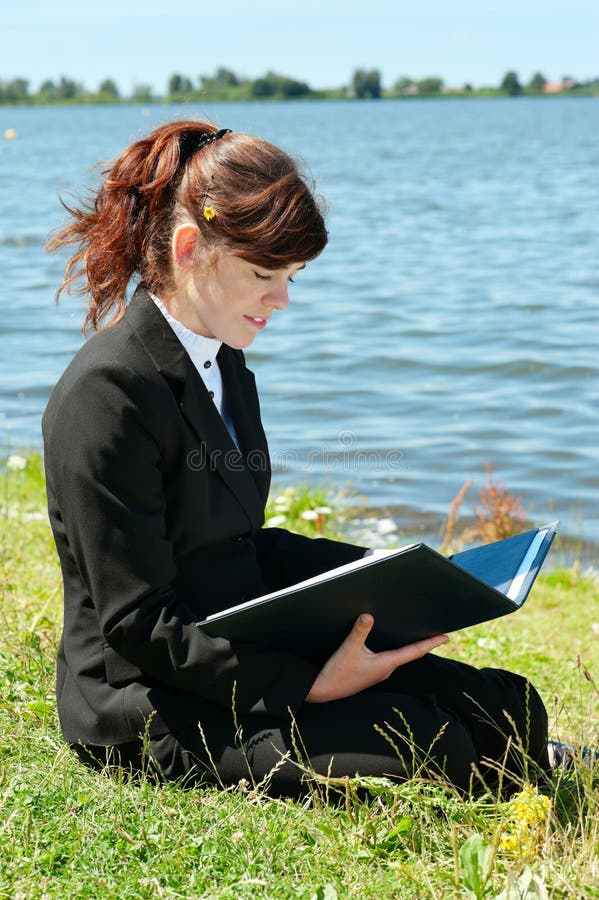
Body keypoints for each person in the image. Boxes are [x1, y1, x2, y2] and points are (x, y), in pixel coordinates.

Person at [43, 120, 550, 797]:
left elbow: (237, 546)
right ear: (191, 248)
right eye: (263, 274)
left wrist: (390, 581)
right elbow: (137, 625)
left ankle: (528, 758)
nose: (281, 300)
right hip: (146, 702)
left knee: (508, 704)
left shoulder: (224, 364)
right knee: (435, 745)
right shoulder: (107, 394)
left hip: (238, 637)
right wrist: (306, 685)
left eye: (290, 276)